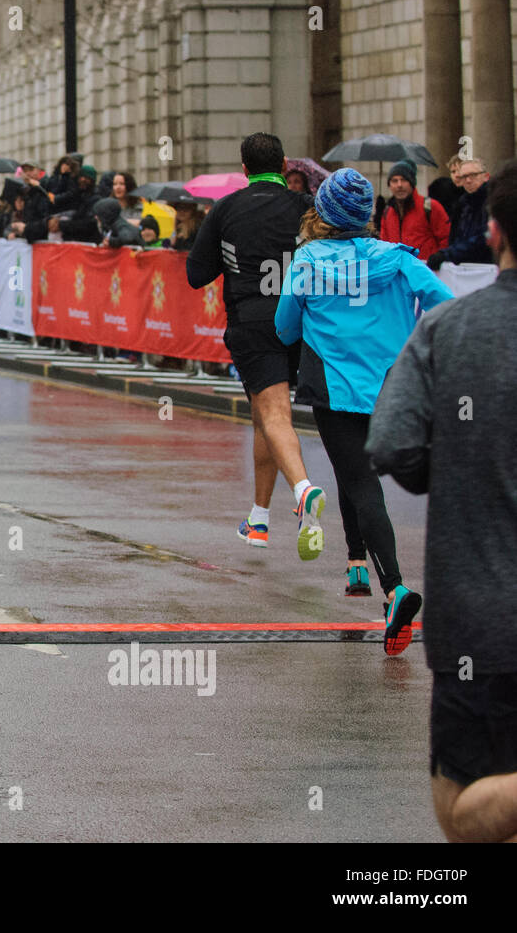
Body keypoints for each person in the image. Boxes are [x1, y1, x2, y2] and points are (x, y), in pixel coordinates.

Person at [367, 159, 517, 843]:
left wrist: (444, 466)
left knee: (463, 816)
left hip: (478, 624)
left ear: (491, 231)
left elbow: (392, 447)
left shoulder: (446, 330)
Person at [275, 168, 452, 647]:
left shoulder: (308, 260)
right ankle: (357, 564)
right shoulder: (397, 258)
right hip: (394, 385)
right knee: (358, 477)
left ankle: (394, 587)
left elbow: (285, 327)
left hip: (335, 390)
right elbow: (444, 303)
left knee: (358, 481)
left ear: (325, 212)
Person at [187, 132, 326, 558]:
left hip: (252, 321)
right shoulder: (306, 207)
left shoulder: (226, 208)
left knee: (274, 413)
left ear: (244, 169)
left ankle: (303, 491)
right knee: (263, 416)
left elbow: (196, 274)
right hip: (303, 320)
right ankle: (259, 518)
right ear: (285, 164)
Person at [379, 159, 450, 264]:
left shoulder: (430, 207)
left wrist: (438, 259)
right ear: (389, 185)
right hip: (398, 272)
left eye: (404, 180)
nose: (399, 185)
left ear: (412, 183)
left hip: (427, 271)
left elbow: (446, 238)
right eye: (394, 180)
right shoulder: (387, 213)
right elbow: (384, 245)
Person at [428, 158, 491, 269]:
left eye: (473, 175)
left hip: (486, 267)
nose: (468, 180)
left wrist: (448, 254)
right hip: (462, 267)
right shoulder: (462, 204)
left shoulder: (492, 202)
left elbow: (484, 237)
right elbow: (455, 238)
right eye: (464, 177)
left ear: (486, 176)